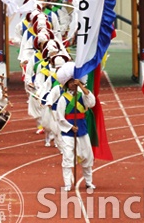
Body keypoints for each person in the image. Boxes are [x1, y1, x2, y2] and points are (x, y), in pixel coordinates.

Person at [53, 62, 96, 192]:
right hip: (68, 132)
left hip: (82, 128)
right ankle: (67, 183)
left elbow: (91, 103)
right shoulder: (63, 99)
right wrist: (70, 127)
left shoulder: (82, 95)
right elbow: (59, 117)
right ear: (66, 83)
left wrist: (82, 87)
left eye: (74, 81)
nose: (72, 84)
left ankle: (88, 182)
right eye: (70, 82)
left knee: (87, 156)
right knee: (67, 156)